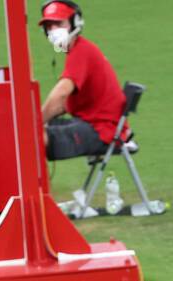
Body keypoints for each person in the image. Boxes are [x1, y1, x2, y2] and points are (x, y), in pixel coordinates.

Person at [37, 1, 130, 161]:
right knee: (37, 131)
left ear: (75, 23)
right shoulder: (81, 50)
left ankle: (26, 185)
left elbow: (61, 93)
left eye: (59, 23)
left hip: (103, 130)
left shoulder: (80, 52)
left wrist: (34, 121)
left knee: (34, 136)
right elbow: (62, 103)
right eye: (49, 26)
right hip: (100, 125)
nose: (53, 30)